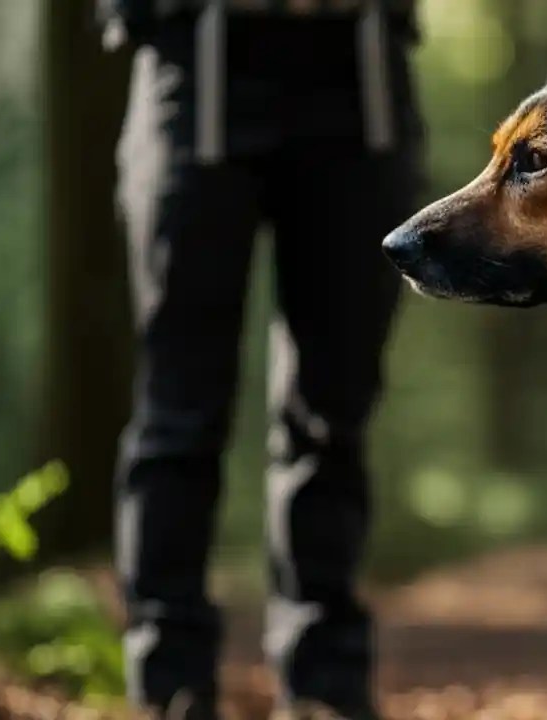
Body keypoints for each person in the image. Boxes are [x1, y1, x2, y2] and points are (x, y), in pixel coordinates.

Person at [96, 0, 426, 717]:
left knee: (333, 408)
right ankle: (168, 683)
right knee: (178, 411)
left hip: (359, 66)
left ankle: (325, 684)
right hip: (195, 53)